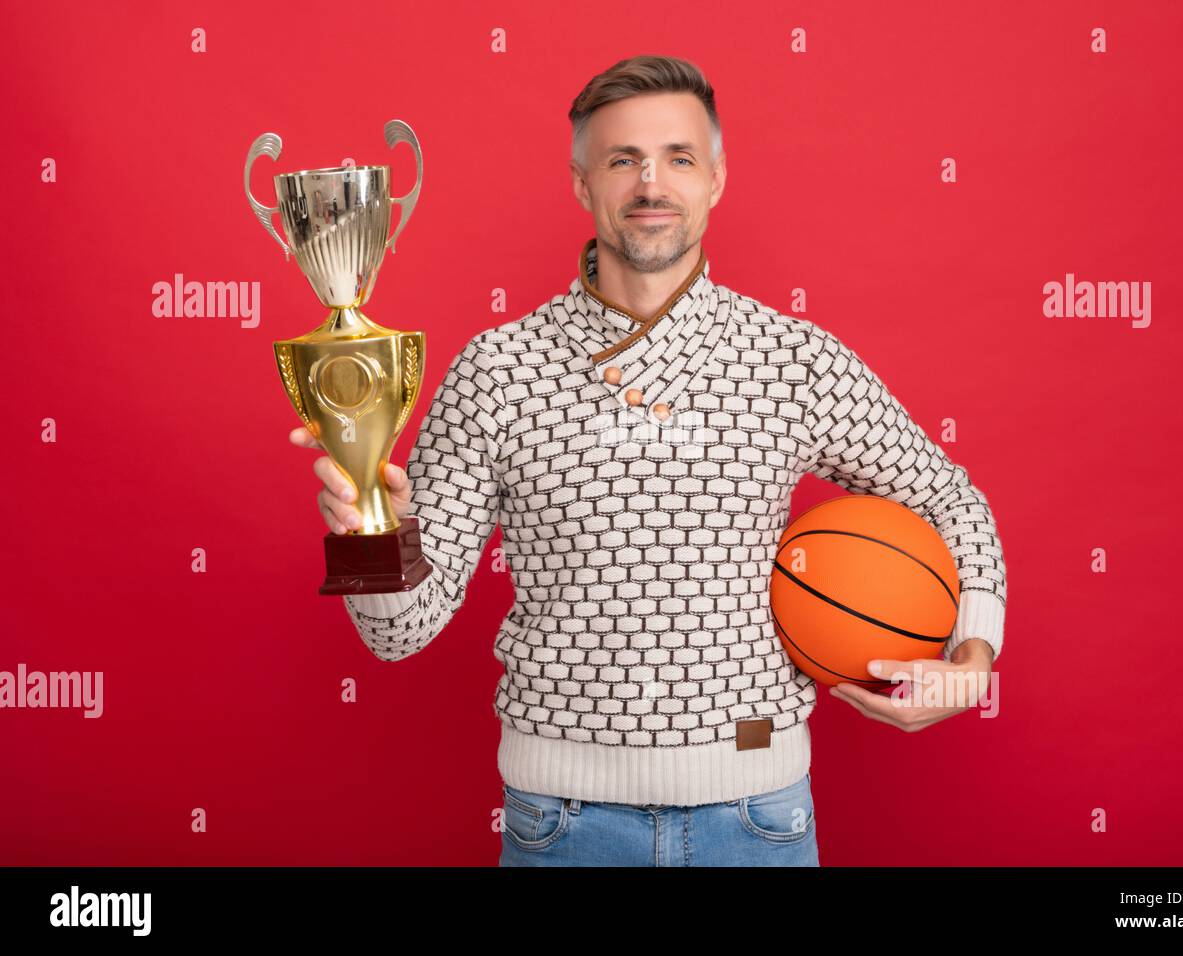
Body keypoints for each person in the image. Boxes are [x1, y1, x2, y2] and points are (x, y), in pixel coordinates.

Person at [290, 55, 1007, 867]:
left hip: (757, 815)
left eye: (678, 158)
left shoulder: (792, 359)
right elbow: (400, 635)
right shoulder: (497, 369)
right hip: (560, 825)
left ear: (716, 180)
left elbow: (951, 500)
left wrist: (971, 658)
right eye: (623, 160)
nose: (651, 184)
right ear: (581, 183)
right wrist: (366, 528)